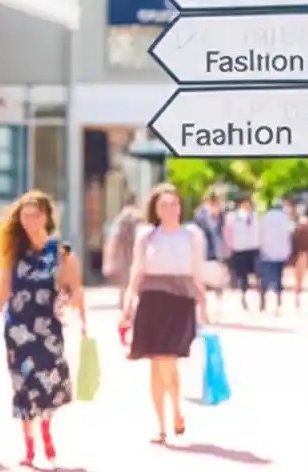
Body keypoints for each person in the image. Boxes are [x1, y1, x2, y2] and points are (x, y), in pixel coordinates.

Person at [0, 190, 86, 468]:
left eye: (36, 214)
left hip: (49, 329)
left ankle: (47, 433)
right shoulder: (12, 253)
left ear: (46, 216)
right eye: (25, 215)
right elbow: (2, 289)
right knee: (24, 386)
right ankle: (29, 447)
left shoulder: (60, 252)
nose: (30, 220)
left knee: (51, 382)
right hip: (18, 328)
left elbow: (75, 289)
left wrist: (76, 311)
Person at [122, 183, 207, 445]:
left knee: (168, 359)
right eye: (164, 205)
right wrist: (128, 302)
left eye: (175, 204)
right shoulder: (147, 236)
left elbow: (197, 272)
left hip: (180, 302)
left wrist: (203, 303)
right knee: (155, 364)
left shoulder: (191, 235)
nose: (171, 210)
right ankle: (161, 426)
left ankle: (177, 410)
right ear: (156, 210)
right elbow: (137, 271)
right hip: (152, 301)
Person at [103, 193, 143, 310]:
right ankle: (136, 302)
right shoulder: (139, 215)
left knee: (124, 281)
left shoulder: (120, 217)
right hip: (136, 250)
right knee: (138, 277)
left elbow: (115, 236)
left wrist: (113, 254)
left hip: (123, 251)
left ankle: (123, 303)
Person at [223, 196, 261, 310]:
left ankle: (260, 299)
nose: (247, 207)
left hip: (254, 248)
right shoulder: (233, 217)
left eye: (249, 204)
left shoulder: (256, 216)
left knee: (258, 274)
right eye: (244, 204)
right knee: (242, 276)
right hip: (240, 249)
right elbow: (227, 232)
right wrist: (230, 246)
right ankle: (243, 297)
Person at [259, 200, 294, 313]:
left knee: (265, 277)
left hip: (267, 251)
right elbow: (290, 233)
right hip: (280, 252)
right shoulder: (285, 218)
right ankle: (278, 299)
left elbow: (260, 233)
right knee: (278, 276)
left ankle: (263, 301)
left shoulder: (265, 217)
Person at [290, 205, 308, 308]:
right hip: (304, 252)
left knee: (298, 276)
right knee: (300, 276)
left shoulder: (297, 224)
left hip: (297, 251)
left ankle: (297, 295)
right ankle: (298, 294)